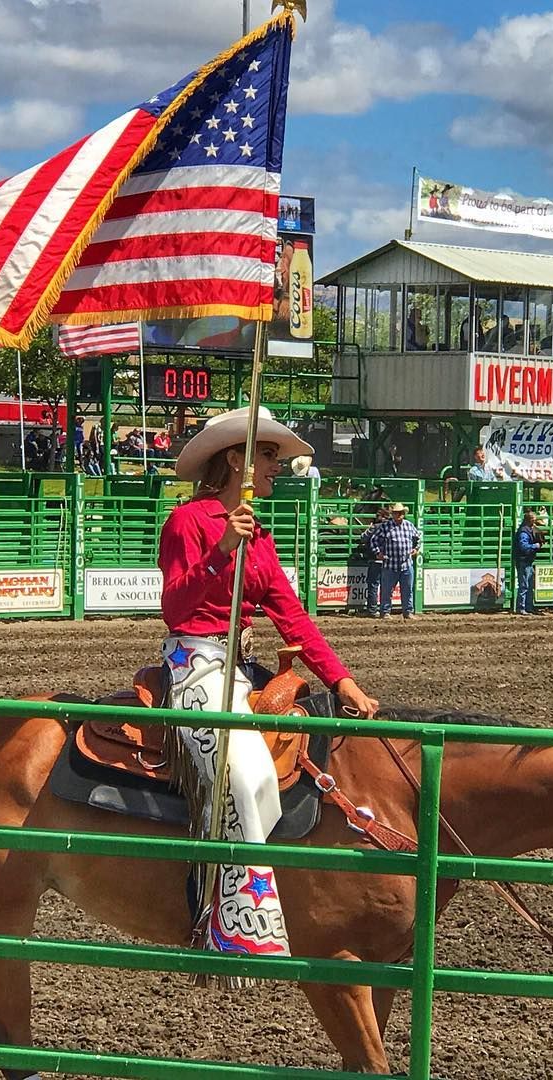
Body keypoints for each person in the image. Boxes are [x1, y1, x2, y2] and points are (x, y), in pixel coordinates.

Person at [159, 405, 377, 963]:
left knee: (287, 766)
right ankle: (234, 919)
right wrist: (220, 552)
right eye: (268, 455)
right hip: (195, 662)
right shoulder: (188, 522)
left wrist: (342, 680)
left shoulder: (260, 536)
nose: (278, 466)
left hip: (241, 667)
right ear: (237, 460)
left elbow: (292, 617)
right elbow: (176, 608)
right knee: (243, 773)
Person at [370, 502, 421, 620]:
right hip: (390, 565)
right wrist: (378, 553)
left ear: (403, 514)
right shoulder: (385, 526)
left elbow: (418, 538)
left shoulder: (409, 525)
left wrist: (416, 549)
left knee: (407, 590)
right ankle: (385, 612)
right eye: (396, 513)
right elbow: (374, 540)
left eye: (400, 513)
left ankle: (408, 612)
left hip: (406, 564)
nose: (398, 515)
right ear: (393, 514)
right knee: (387, 591)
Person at [358, 506, 390, 618]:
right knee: (386, 586)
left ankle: (372, 610)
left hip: (375, 560)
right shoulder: (392, 527)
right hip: (389, 560)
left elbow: (363, 537)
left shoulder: (375, 527)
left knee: (373, 585)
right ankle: (385, 610)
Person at [513, 509, 542, 615]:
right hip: (523, 560)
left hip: (527, 560)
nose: (534, 522)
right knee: (524, 584)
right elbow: (523, 546)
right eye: (533, 520)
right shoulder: (524, 532)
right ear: (529, 520)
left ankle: (527, 607)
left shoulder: (526, 530)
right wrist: (535, 545)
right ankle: (521, 607)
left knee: (528, 584)